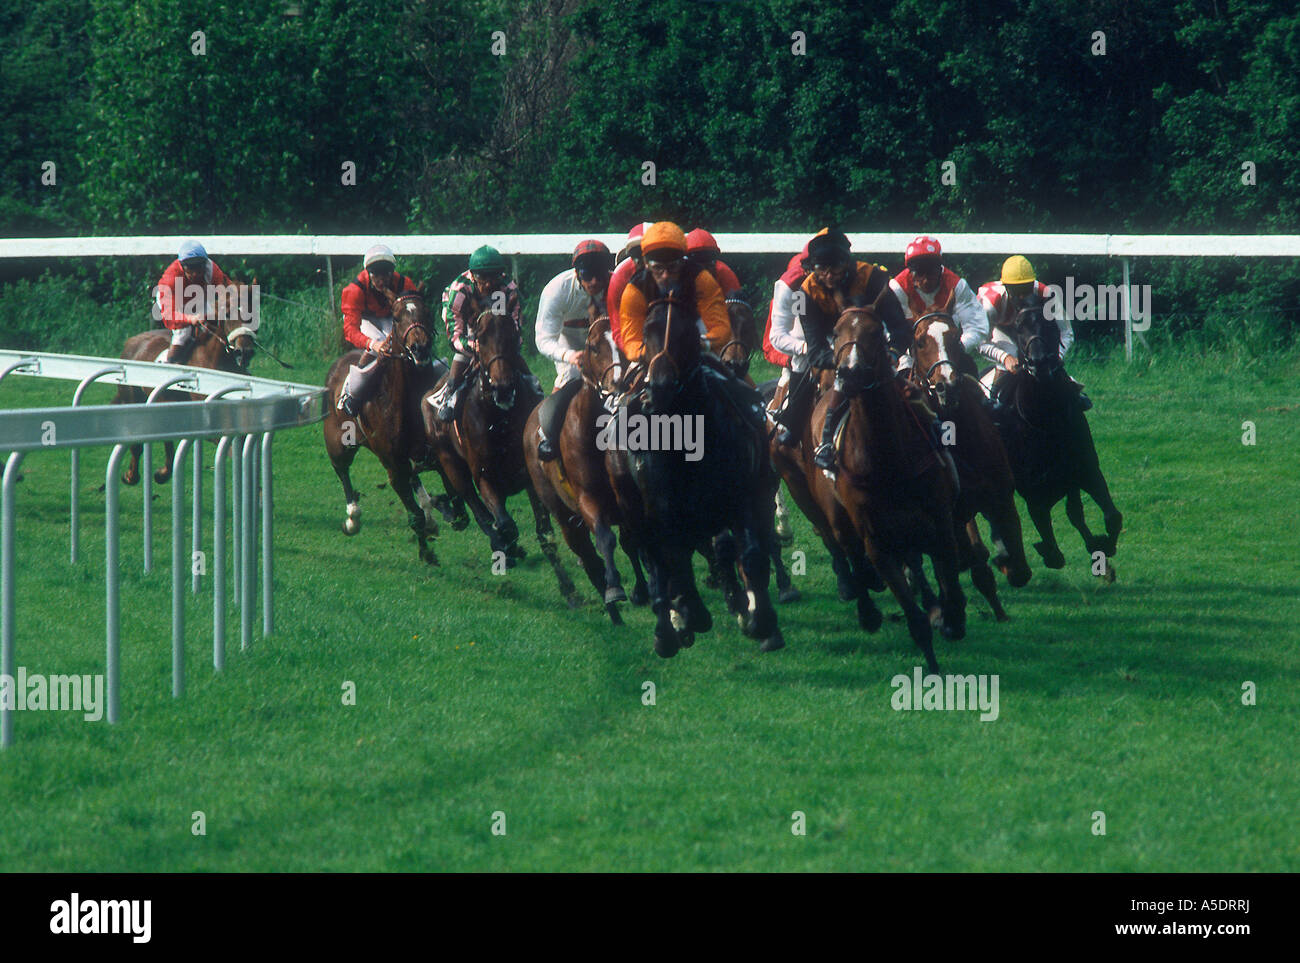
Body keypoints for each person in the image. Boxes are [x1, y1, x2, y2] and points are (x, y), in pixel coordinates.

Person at [618, 221, 764, 426]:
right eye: (658, 268)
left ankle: (755, 417)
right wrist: (650, 353)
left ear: (683, 261)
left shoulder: (701, 279)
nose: (666, 275)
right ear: (646, 263)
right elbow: (631, 340)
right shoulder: (634, 290)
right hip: (652, 345)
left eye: (673, 267)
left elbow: (720, 328)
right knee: (624, 407)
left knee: (734, 390)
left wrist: (700, 343)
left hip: (695, 336)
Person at [796, 229, 909, 474]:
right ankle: (819, 441)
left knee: (914, 389)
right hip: (835, 348)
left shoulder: (874, 278)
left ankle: (937, 437)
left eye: (834, 268)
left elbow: (901, 328)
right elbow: (815, 351)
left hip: (876, 344)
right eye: (820, 269)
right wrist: (848, 362)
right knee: (817, 389)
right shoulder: (804, 292)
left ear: (847, 263)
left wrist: (891, 354)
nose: (828, 275)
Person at [432, 245, 537, 421]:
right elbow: (455, 337)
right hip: (468, 331)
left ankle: (537, 396)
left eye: (494, 276)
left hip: (498, 334)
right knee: (457, 372)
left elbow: (515, 327)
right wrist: (477, 348)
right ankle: (448, 397)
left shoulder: (508, 289)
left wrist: (504, 348)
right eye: (483, 277)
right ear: (473, 275)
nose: (489, 283)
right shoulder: (458, 291)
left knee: (529, 380)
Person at [533, 239, 615, 461]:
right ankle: (547, 434)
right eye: (588, 275)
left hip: (607, 343)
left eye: (600, 274)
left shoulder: (616, 285)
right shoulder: (556, 290)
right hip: (569, 342)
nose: (595, 281)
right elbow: (544, 338)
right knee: (571, 375)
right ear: (577, 273)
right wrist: (569, 355)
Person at [977, 255, 1090, 412]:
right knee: (1011, 352)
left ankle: (1072, 388)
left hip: (1031, 329)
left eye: (1026, 289)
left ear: (1033, 285)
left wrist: (1057, 357)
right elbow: (980, 342)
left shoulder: (1047, 295)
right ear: (1007, 288)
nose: (1023, 296)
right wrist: (1005, 358)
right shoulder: (990, 303)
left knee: (1043, 354)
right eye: (1017, 291)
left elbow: (1066, 333)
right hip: (1001, 328)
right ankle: (993, 398)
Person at [335, 244, 420, 416]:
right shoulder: (354, 290)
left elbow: (412, 314)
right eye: (376, 276)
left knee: (405, 345)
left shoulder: (405, 283)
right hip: (364, 319)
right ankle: (351, 392)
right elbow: (350, 330)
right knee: (379, 347)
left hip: (389, 317)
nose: (382, 280)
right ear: (368, 273)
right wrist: (372, 344)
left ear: (392, 273)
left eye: (386, 275)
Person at [889, 235, 987, 375]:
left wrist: (958, 346)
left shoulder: (958, 286)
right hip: (909, 352)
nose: (926, 280)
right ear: (911, 272)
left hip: (950, 349)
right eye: (920, 273)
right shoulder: (897, 288)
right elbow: (887, 328)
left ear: (940, 269)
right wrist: (903, 352)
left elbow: (977, 326)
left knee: (970, 372)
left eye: (932, 272)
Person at [153, 239, 242, 364]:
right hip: (174, 305)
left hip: (197, 298)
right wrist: (191, 318)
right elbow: (169, 315)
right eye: (190, 268)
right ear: (182, 266)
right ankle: (169, 361)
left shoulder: (210, 268)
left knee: (219, 323)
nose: (195, 273)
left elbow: (226, 290)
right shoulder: (170, 280)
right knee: (184, 333)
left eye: (199, 267)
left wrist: (228, 303)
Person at [607, 222, 650, 353]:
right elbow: (618, 329)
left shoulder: (683, 269)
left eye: (650, 256)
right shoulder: (620, 277)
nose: (645, 264)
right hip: (637, 337)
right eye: (637, 257)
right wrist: (638, 352)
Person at [685, 228, 743, 297]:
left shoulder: (723, 271)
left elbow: (737, 304)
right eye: (698, 259)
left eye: (708, 258)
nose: (703, 267)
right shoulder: (678, 273)